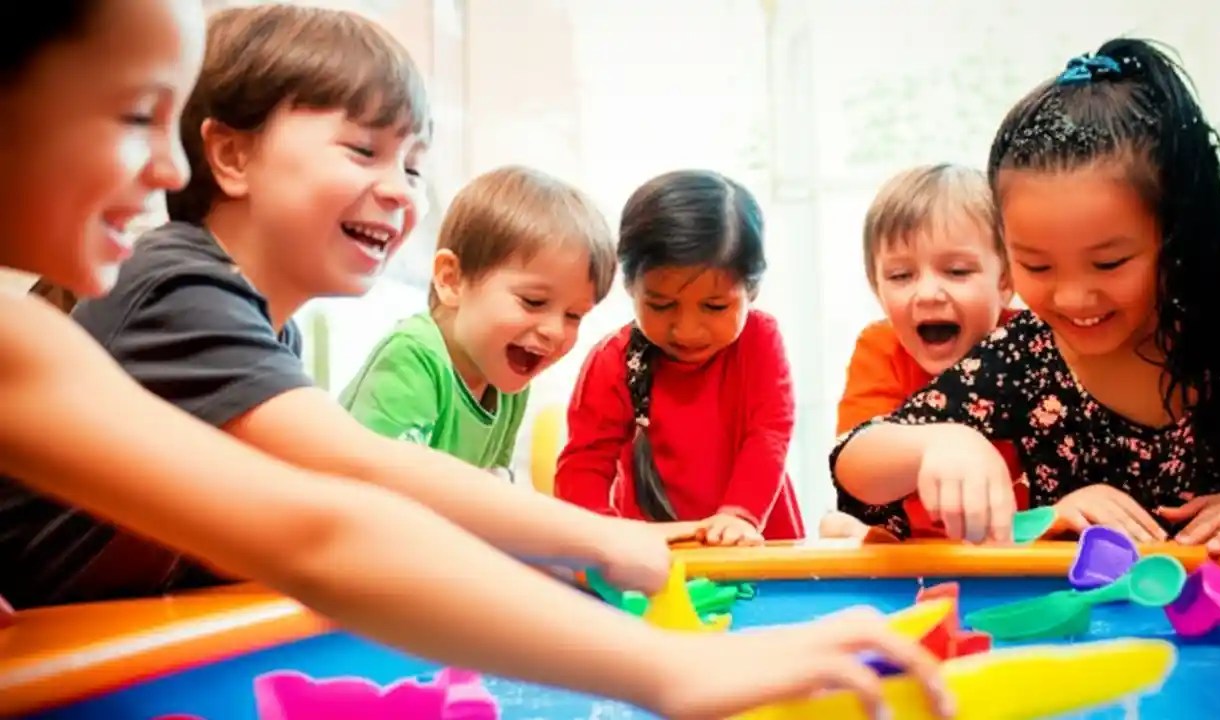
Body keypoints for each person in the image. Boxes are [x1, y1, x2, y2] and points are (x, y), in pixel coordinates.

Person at [0, 6, 952, 717]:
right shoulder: (175, 280)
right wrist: (634, 598)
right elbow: (333, 506)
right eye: (134, 117)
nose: (168, 172)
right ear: (233, 155)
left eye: (411, 163)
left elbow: (279, 527)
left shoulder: (175, 328)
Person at [831, 39, 1220, 555]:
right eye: (1036, 265)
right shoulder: (1025, 354)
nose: (1071, 297)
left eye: (1109, 263)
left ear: (1177, 234)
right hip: (1091, 629)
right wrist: (942, 440)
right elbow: (855, 461)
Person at [556, 169, 805, 545]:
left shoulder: (759, 340)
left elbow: (768, 435)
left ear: (751, 290)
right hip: (653, 558)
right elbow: (583, 466)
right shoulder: (613, 361)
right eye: (662, 305)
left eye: (715, 306)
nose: (687, 330)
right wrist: (602, 535)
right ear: (630, 287)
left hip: (757, 547)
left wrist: (739, 515)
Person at [340, 165, 613, 474]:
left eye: (574, 316)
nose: (554, 330)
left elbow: (492, 483)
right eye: (533, 302)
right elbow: (376, 487)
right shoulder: (413, 359)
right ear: (451, 280)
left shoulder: (508, 383)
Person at [820, 163, 1024, 541]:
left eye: (958, 271)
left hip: (1016, 551)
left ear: (1006, 280)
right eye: (901, 276)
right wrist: (945, 439)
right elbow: (854, 459)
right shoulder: (880, 347)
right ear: (877, 287)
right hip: (909, 552)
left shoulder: (1030, 346)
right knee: (837, 527)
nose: (928, 293)